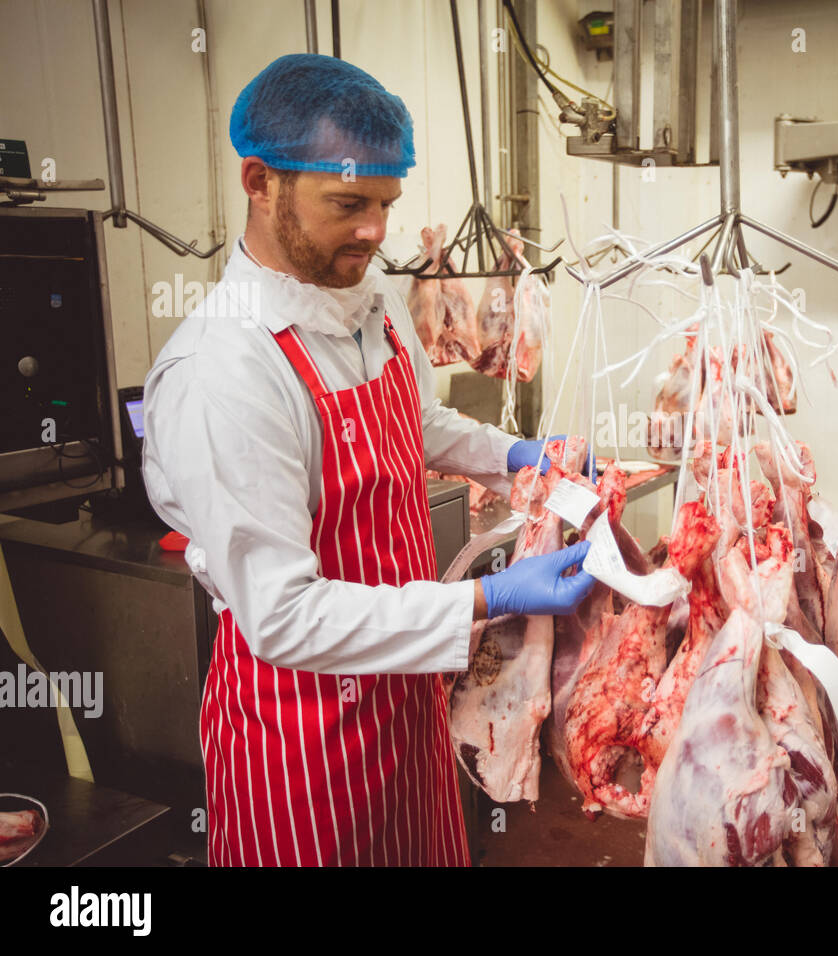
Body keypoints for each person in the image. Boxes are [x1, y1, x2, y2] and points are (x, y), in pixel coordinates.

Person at [142, 54, 594, 867]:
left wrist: (514, 455)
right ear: (259, 181)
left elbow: (415, 423)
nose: (376, 231)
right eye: (348, 203)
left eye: (386, 203)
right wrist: (482, 598)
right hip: (301, 742)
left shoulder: (373, 302)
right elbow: (283, 615)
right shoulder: (223, 368)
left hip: (407, 704)